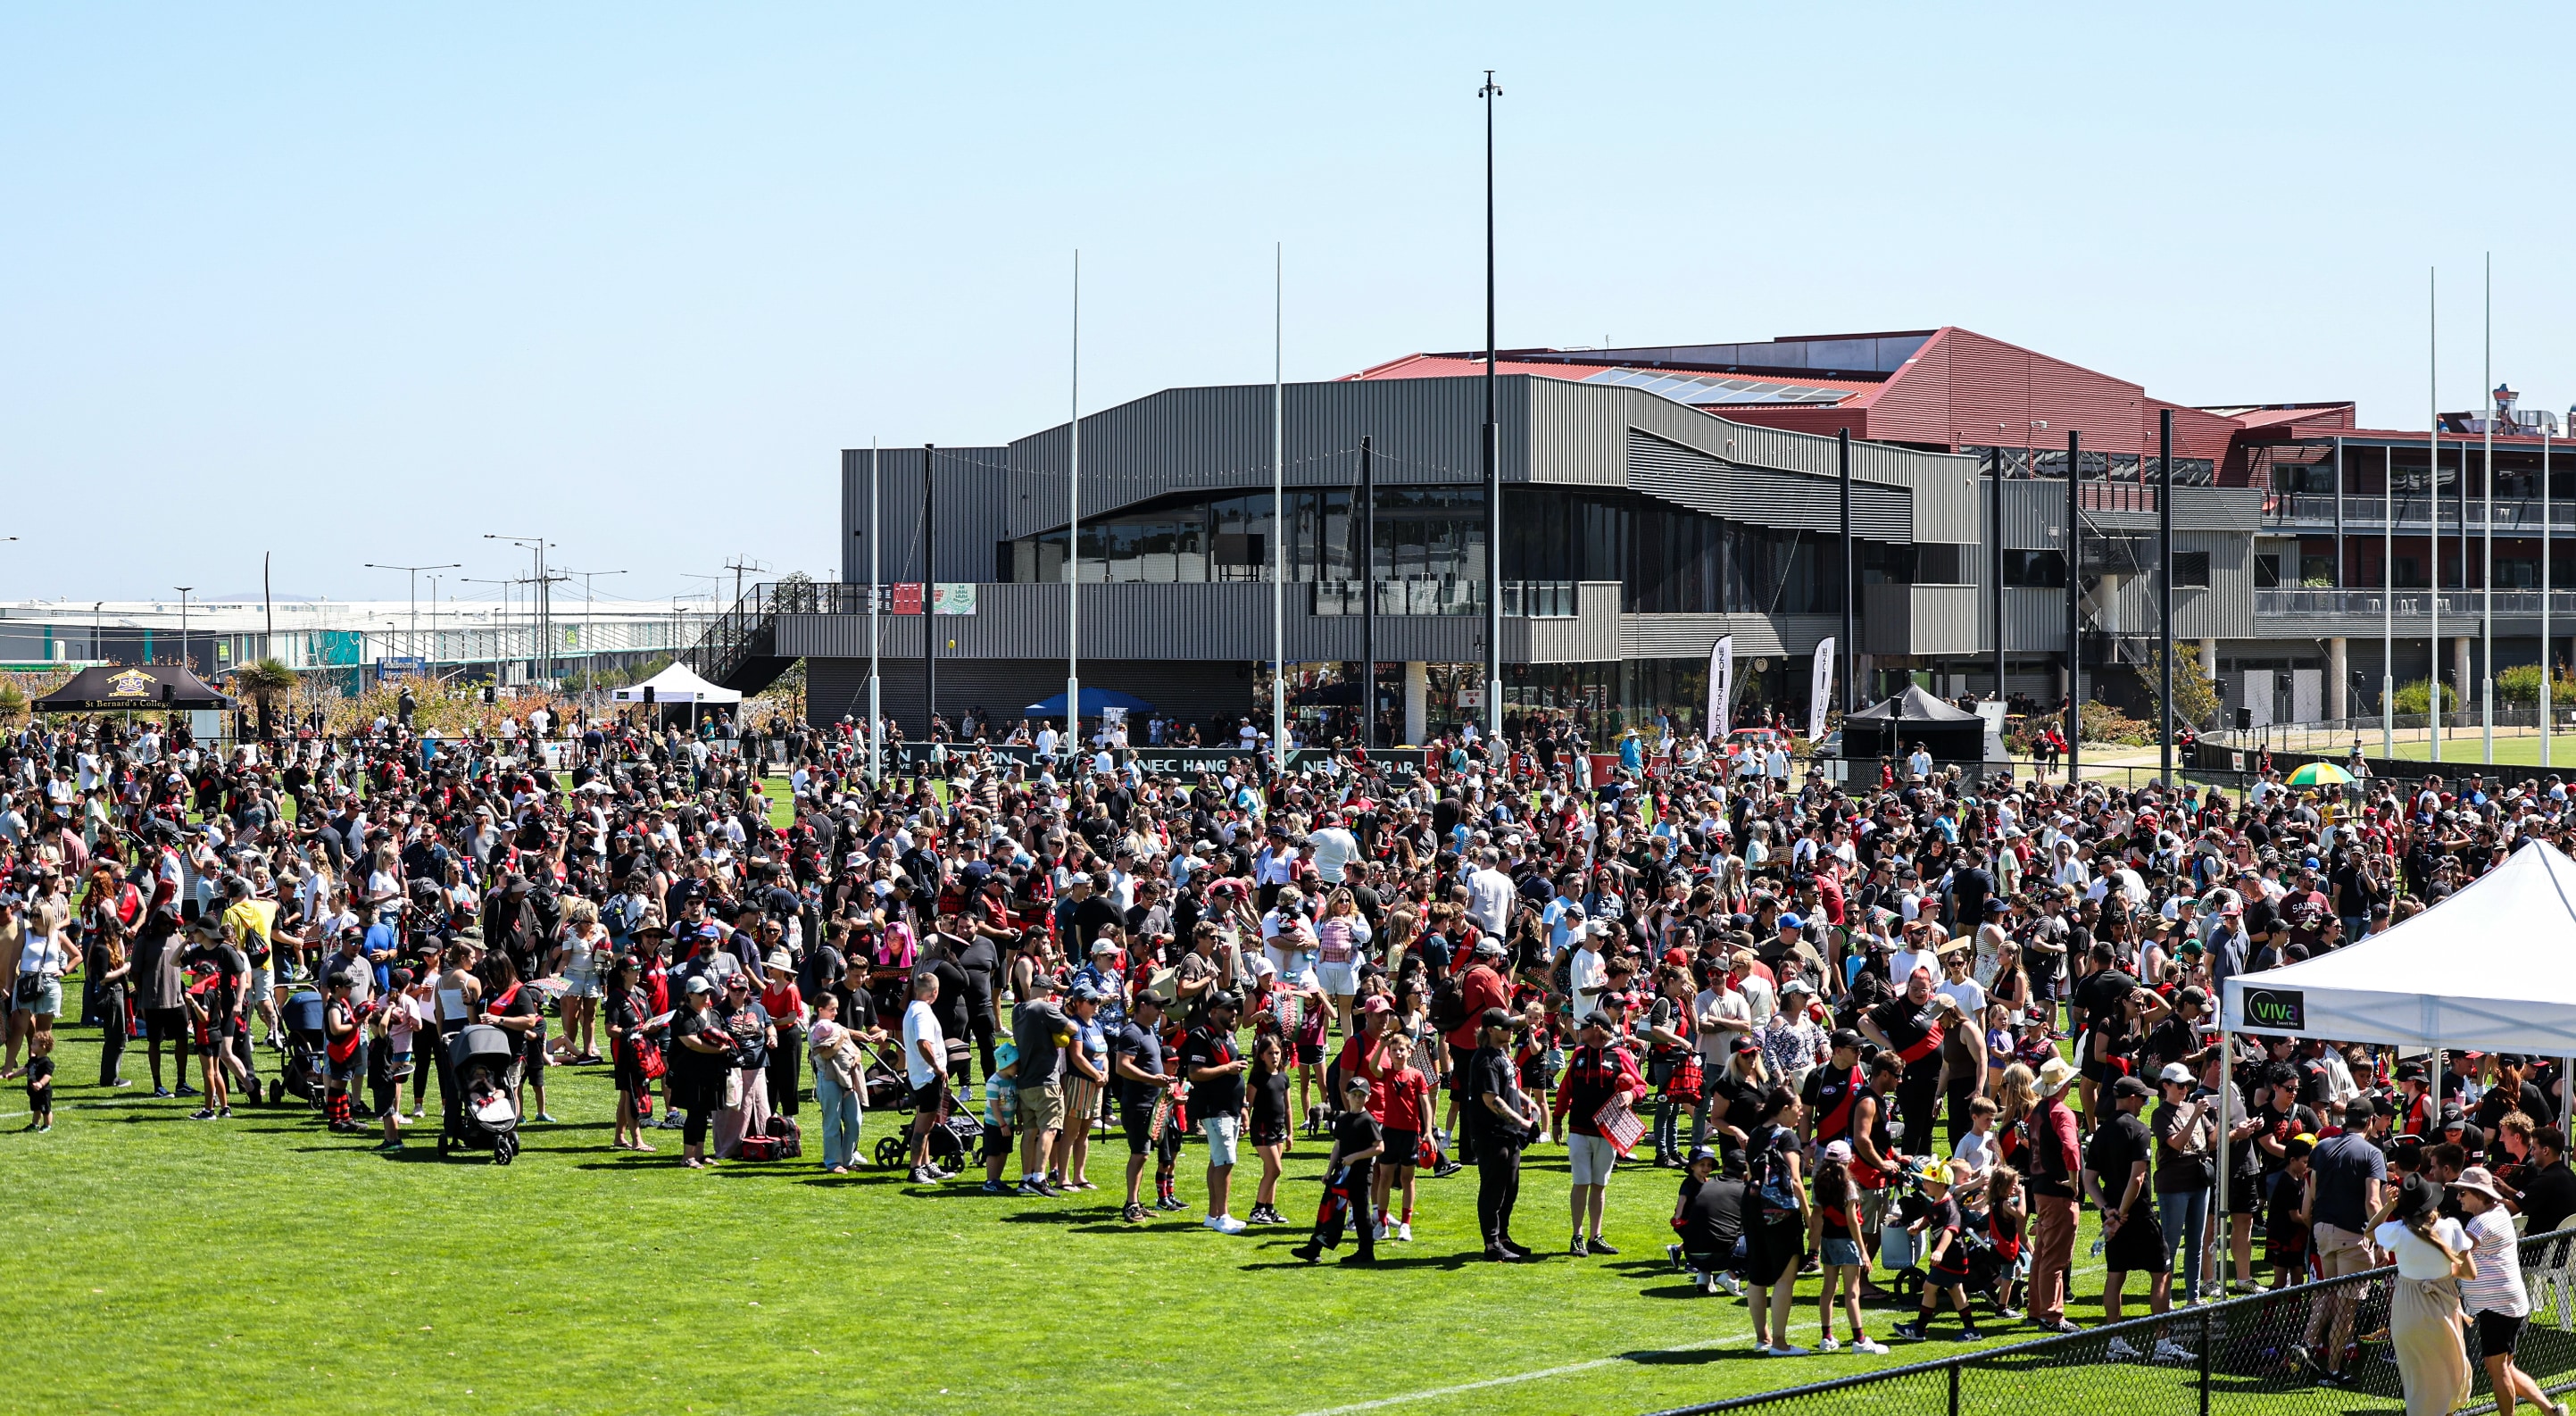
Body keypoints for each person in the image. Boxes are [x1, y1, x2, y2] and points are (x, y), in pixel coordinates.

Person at [2087, 1075, 2191, 1359]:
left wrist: (2106, 1210)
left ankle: (2114, 1342)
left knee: (2115, 1274)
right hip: (2139, 1215)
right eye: (2143, 1098)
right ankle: (2162, 1344)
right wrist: (2121, 1213)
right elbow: (2137, 1178)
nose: (2145, 1102)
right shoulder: (2139, 1130)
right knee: (2161, 1274)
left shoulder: (2101, 1131)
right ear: (2132, 1099)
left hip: (2114, 1219)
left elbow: (2089, 1179)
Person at [2452, 1166, 2558, 1416]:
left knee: (2496, 1367)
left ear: (2478, 1193)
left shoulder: (2479, 1224)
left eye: (2462, 1193)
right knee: (2507, 1367)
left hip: (2496, 1308)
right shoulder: (2499, 1211)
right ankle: (2551, 1411)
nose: (2458, 1198)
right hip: (2511, 1303)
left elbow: (2458, 1255)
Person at [2375, 1172, 2474, 1416]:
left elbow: (2371, 1231)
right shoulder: (2451, 1228)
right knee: (2449, 1376)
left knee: (2418, 1380)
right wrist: (2442, 1271)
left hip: (2407, 1309)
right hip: (2442, 1305)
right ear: (2434, 1203)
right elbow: (2470, 1273)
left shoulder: (2397, 1231)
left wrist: (2388, 1206)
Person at [1554, 1008, 1642, 1257]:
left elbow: (1640, 1085)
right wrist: (1557, 1119)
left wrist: (1630, 1093)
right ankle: (1577, 1236)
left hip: (1608, 1130)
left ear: (1596, 1029)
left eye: (1583, 1027)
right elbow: (1566, 1088)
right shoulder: (1580, 1054)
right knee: (1580, 1182)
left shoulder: (1620, 1055)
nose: (1579, 1030)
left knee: (1599, 1184)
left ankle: (1596, 1236)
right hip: (1580, 1128)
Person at [1462, 1006, 1535, 1262]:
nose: (1511, 1030)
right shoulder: (1484, 1060)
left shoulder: (1501, 1054)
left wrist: (1527, 1101)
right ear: (1491, 1030)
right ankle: (1491, 1244)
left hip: (1509, 1134)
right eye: (1506, 1027)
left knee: (1510, 1189)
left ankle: (1503, 1236)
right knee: (1493, 1189)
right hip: (1492, 1134)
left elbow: (1509, 1087)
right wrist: (1523, 1123)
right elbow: (1492, 1100)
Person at [1743, 1087, 1811, 1357]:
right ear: (1784, 1109)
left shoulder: (1755, 1134)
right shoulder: (1787, 1137)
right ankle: (1781, 1343)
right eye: (1797, 1108)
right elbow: (1796, 1180)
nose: (1801, 1113)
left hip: (1752, 1206)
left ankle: (1763, 1338)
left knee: (1757, 1274)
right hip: (1780, 1212)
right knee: (1785, 1276)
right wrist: (1808, 1216)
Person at [1291, 1075, 1384, 1265]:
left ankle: (1366, 1252)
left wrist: (1355, 1157)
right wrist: (1328, 1171)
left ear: (1368, 1096)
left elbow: (1379, 1147)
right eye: (1354, 1094)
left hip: (1361, 1175)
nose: (1358, 1098)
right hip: (1342, 1173)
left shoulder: (1368, 1121)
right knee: (1328, 1209)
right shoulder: (1343, 1119)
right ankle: (1314, 1249)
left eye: (1361, 1095)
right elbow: (1338, 1146)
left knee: (1360, 1213)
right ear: (1346, 1095)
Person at [1890, 1158, 1985, 1342]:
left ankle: (1918, 1329)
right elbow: (1930, 1217)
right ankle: (1972, 1330)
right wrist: (1919, 1226)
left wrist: (1940, 1251)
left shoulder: (1950, 1207)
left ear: (1942, 1185)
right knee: (1955, 1291)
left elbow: (1951, 1231)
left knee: (1929, 1287)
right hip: (1948, 1257)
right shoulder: (1937, 1202)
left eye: (1928, 1181)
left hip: (1951, 1257)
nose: (1924, 1184)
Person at [1179, 990, 1251, 1234]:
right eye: (1228, 1008)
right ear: (1213, 1012)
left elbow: (1237, 1075)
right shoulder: (1201, 1037)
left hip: (1230, 1107)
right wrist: (1227, 1068)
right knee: (1226, 1161)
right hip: (1214, 1108)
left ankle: (1213, 1215)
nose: (1234, 1013)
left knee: (1217, 1159)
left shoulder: (1229, 1036)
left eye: (1234, 1008)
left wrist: (1242, 1106)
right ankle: (1223, 1216)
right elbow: (1195, 1073)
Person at [1807, 1139, 1887, 1352]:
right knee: (1852, 1292)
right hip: (1848, 1241)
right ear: (1848, 1160)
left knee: (1828, 1290)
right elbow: (1852, 1221)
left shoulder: (1819, 1184)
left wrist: (1813, 1248)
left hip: (1828, 1241)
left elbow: (1818, 1217)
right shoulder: (1848, 1185)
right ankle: (1859, 1340)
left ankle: (1827, 1338)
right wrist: (1863, 1251)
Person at [1114, 990, 1184, 1221]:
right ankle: (1131, 1203)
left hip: (1153, 1103)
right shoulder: (1131, 1033)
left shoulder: (1149, 1032)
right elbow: (1122, 1067)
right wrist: (1153, 1079)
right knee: (1140, 1154)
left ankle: (1136, 1201)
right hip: (1138, 1104)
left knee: (1145, 1154)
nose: (1161, 1011)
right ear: (1142, 1006)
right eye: (1157, 1006)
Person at [901, 971, 951, 1182]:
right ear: (935, 992)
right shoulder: (922, 1013)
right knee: (923, 1127)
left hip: (922, 1075)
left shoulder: (914, 1008)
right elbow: (924, 1042)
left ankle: (926, 1164)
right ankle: (915, 1169)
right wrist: (937, 1067)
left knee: (927, 1125)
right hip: (928, 1076)